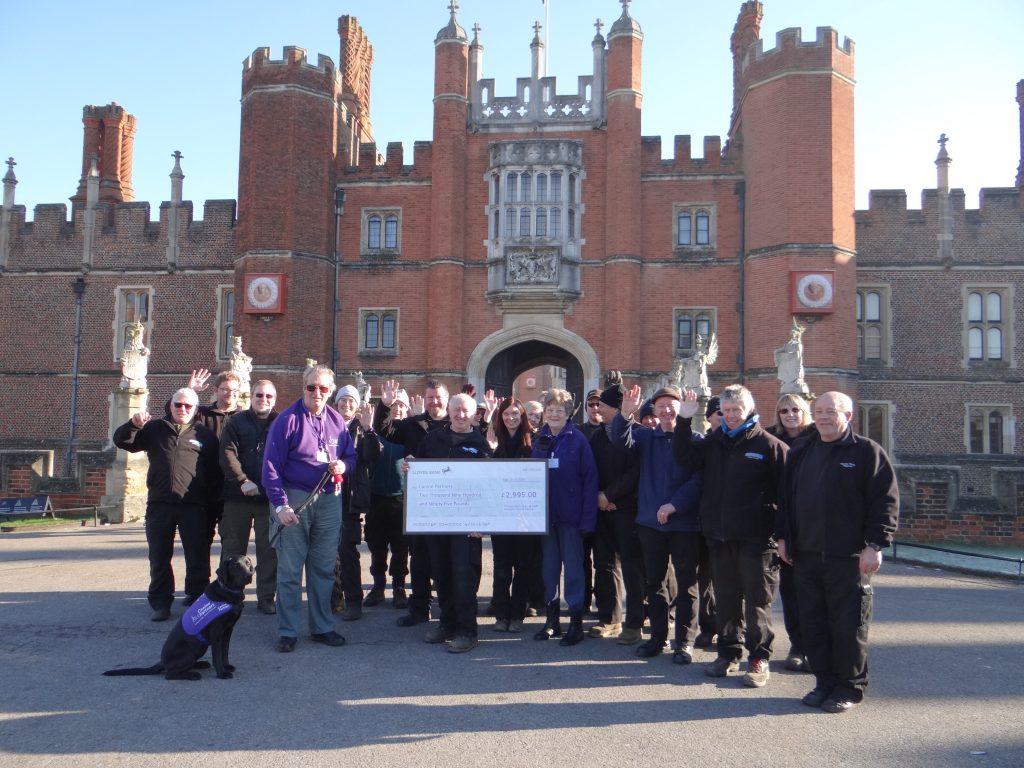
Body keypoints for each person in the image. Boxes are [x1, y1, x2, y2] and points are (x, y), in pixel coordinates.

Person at [777, 392, 899, 713]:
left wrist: (874, 545)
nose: (823, 417)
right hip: (806, 556)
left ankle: (849, 687)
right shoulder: (802, 451)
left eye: (831, 411)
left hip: (849, 558)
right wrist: (783, 538)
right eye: (818, 411)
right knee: (813, 624)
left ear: (848, 416)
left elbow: (885, 502)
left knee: (848, 628)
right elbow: (786, 500)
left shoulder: (866, 452)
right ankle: (824, 682)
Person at [675, 385, 787, 688]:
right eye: (726, 411)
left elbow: (787, 496)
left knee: (757, 602)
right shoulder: (714, 442)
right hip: (720, 536)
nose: (732, 416)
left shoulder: (770, 446)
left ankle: (758, 657)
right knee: (726, 600)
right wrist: (684, 420)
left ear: (749, 409)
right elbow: (684, 457)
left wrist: (782, 535)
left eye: (737, 410)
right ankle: (728, 652)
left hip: (756, 538)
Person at [263, 365, 356, 652]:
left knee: (324, 568)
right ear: (303, 387)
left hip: (329, 500)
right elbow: (270, 467)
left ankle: (322, 626)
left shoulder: (337, 421)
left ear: (331, 390)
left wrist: (343, 465)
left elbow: (350, 457)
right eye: (311, 387)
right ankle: (288, 631)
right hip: (295, 499)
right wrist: (280, 505)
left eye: (324, 388)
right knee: (290, 571)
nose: (317, 393)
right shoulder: (287, 421)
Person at [113, 387, 219, 621]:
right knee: (159, 555)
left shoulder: (204, 434)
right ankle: (161, 602)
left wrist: (212, 506)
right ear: (170, 406)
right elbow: (123, 441)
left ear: (195, 409)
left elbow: (214, 471)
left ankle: (196, 597)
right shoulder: (154, 429)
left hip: (193, 504)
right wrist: (132, 424)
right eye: (178, 405)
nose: (182, 409)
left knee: (197, 556)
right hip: (160, 503)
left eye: (188, 406)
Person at [617, 385, 704, 663]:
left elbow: (699, 480)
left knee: (687, 584)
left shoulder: (695, 439)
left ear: (681, 409)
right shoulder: (644, 437)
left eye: (671, 405)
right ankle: (657, 637)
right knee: (654, 582)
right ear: (654, 411)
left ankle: (684, 642)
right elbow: (620, 441)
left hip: (684, 523)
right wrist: (624, 414)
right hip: (650, 523)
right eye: (661, 406)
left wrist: (675, 504)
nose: (666, 411)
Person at [413, 393, 493, 653]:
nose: (460, 415)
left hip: (467, 524)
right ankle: (446, 624)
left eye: (465, 411)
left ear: (474, 414)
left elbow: (491, 485)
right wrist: (411, 468)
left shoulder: (481, 443)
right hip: (436, 520)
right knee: (442, 573)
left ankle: (467, 631)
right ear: (448, 411)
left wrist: (484, 520)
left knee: (464, 576)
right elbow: (421, 470)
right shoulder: (432, 439)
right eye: (456, 410)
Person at [374, 378, 451, 627]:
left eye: (438, 397)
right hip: (419, 502)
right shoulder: (413, 424)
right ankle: (419, 608)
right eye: (430, 398)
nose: (434, 401)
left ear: (446, 399)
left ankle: (449, 608)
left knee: (448, 557)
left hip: (451, 503)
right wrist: (384, 405)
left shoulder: (456, 424)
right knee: (418, 557)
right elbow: (385, 430)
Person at [532, 389, 598, 647]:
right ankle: (551, 621)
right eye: (550, 409)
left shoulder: (578, 440)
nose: (554, 413)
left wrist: (587, 521)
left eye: (559, 409)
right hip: (546, 518)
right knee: (549, 570)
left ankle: (576, 624)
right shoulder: (540, 439)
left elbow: (590, 480)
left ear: (568, 412)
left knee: (573, 572)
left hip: (572, 518)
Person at [587, 384, 645, 646]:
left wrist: (610, 495)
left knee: (632, 567)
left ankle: (634, 623)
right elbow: (589, 471)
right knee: (604, 564)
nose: (598, 409)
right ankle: (609, 617)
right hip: (602, 509)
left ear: (618, 408)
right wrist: (599, 496)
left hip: (627, 509)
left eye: (604, 406)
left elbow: (636, 472)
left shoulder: (641, 434)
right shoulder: (597, 436)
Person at [218, 378, 279, 615]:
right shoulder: (236, 422)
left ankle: (266, 597)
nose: (263, 400)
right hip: (238, 496)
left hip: (268, 498)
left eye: (268, 396)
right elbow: (227, 453)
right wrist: (242, 480)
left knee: (269, 550)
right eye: (259, 395)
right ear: (251, 397)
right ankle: (230, 595)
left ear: (274, 400)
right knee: (233, 550)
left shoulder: (281, 422)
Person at [766, 393, 816, 671]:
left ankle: (815, 647)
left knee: (813, 591)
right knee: (790, 590)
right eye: (784, 410)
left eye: (795, 409)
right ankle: (798, 645)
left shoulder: (816, 439)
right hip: (781, 523)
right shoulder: (772, 439)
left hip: (811, 523)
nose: (789, 414)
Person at [488, 397, 542, 633]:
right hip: (499, 515)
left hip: (525, 516)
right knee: (501, 567)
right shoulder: (492, 441)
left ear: (522, 418)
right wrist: (488, 453)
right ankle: (501, 614)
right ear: (500, 417)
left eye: (515, 414)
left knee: (523, 567)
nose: (511, 418)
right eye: (506, 414)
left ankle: (517, 614)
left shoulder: (534, 442)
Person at [330, 384, 381, 622]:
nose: (347, 405)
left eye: (351, 401)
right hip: (325, 494)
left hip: (349, 498)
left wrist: (370, 429)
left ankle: (353, 600)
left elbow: (372, 457)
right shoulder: (325, 423)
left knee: (347, 550)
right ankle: (331, 598)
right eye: (343, 401)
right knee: (324, 550)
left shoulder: (362, 429)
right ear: (336, 403)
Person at [364, 388, 412, 609]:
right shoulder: (379, 431)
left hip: (401, 498)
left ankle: (399, 586)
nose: (398, 409)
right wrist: (384, 406)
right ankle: (378, 585)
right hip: (378, 496)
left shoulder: (410, 434)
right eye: (394, 406)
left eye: (401, 406)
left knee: (401, 546)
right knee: (377, 544)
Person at [186, 369, 241, 543]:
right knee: (201, 539)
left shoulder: (244, 418)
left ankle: (228, 572)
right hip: (205, 487)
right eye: (225, 389)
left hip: (232, 488)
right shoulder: (201, 415)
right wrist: (190, 390)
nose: (230, 394)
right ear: (216, 391)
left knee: (231, 540)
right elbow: (175, 412)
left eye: (234, 390)